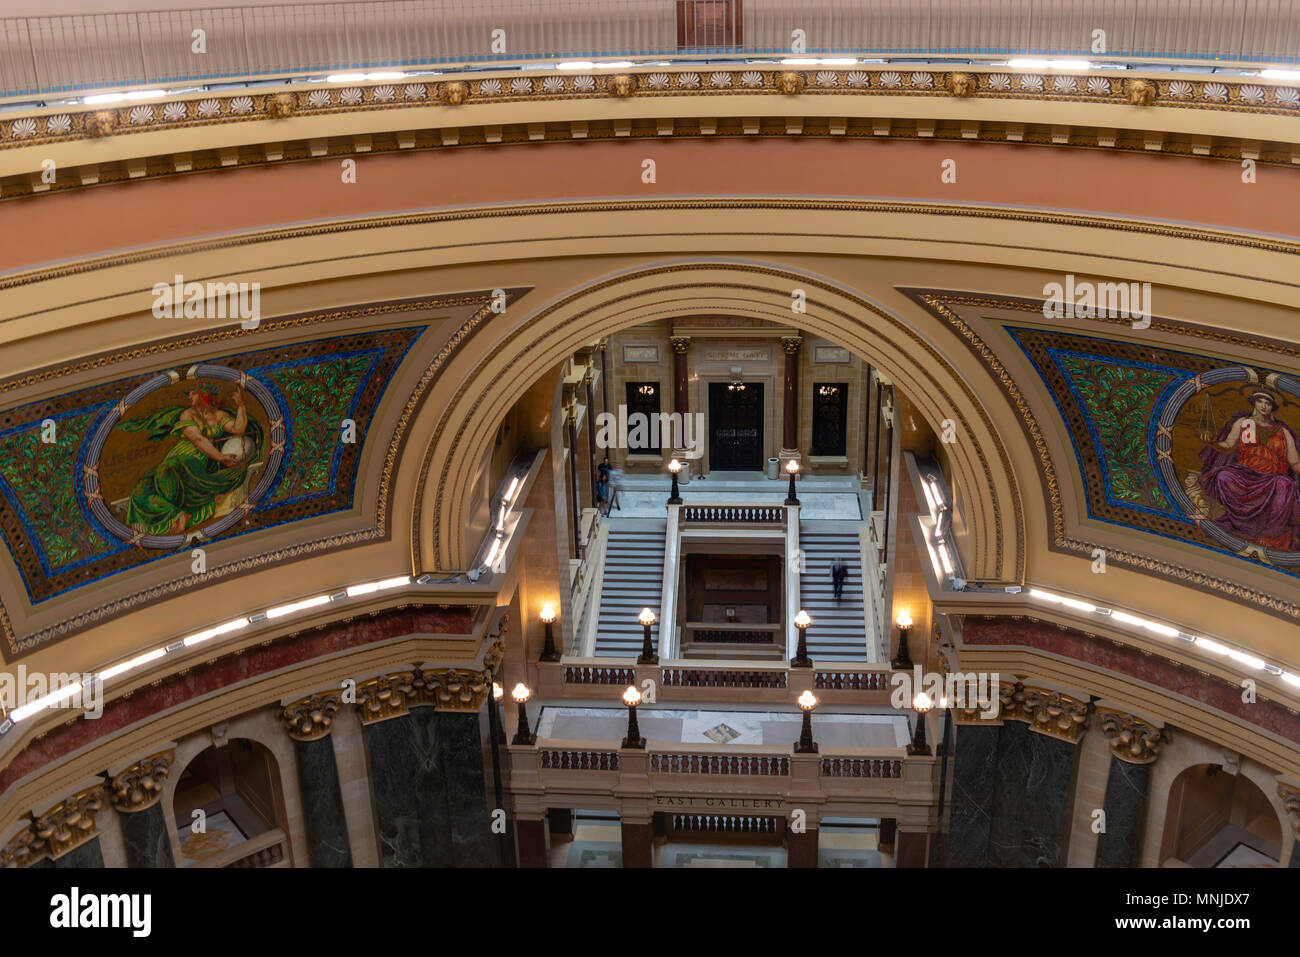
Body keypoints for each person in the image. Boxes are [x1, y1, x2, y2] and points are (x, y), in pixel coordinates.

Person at [121, 383, 263, 535]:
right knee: (142, 489)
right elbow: (197, 439)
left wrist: (241, 405)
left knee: (172, 473)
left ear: (204, 394)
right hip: (178, 458)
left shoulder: (219, 415)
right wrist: (221, 457)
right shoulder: (187, 414)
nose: (189, 397)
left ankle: (179, 516)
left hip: (195, 463)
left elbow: (238, 429)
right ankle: (177, 515)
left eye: (193, 393)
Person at [1198, 389, 1300, 552]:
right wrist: (1213, 442)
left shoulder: (1283, 432)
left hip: (1272, 477)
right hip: (1245, 473)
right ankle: (1240, 523)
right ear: (1254, 403)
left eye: (1268, 403)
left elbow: (1295, 463)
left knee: (1286, 484)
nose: (1264, 406)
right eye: (1261, 401)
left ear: (1272, 407)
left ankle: (1269, 534)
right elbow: (1229, 446)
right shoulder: (1243, 423)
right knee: (1223, 476)